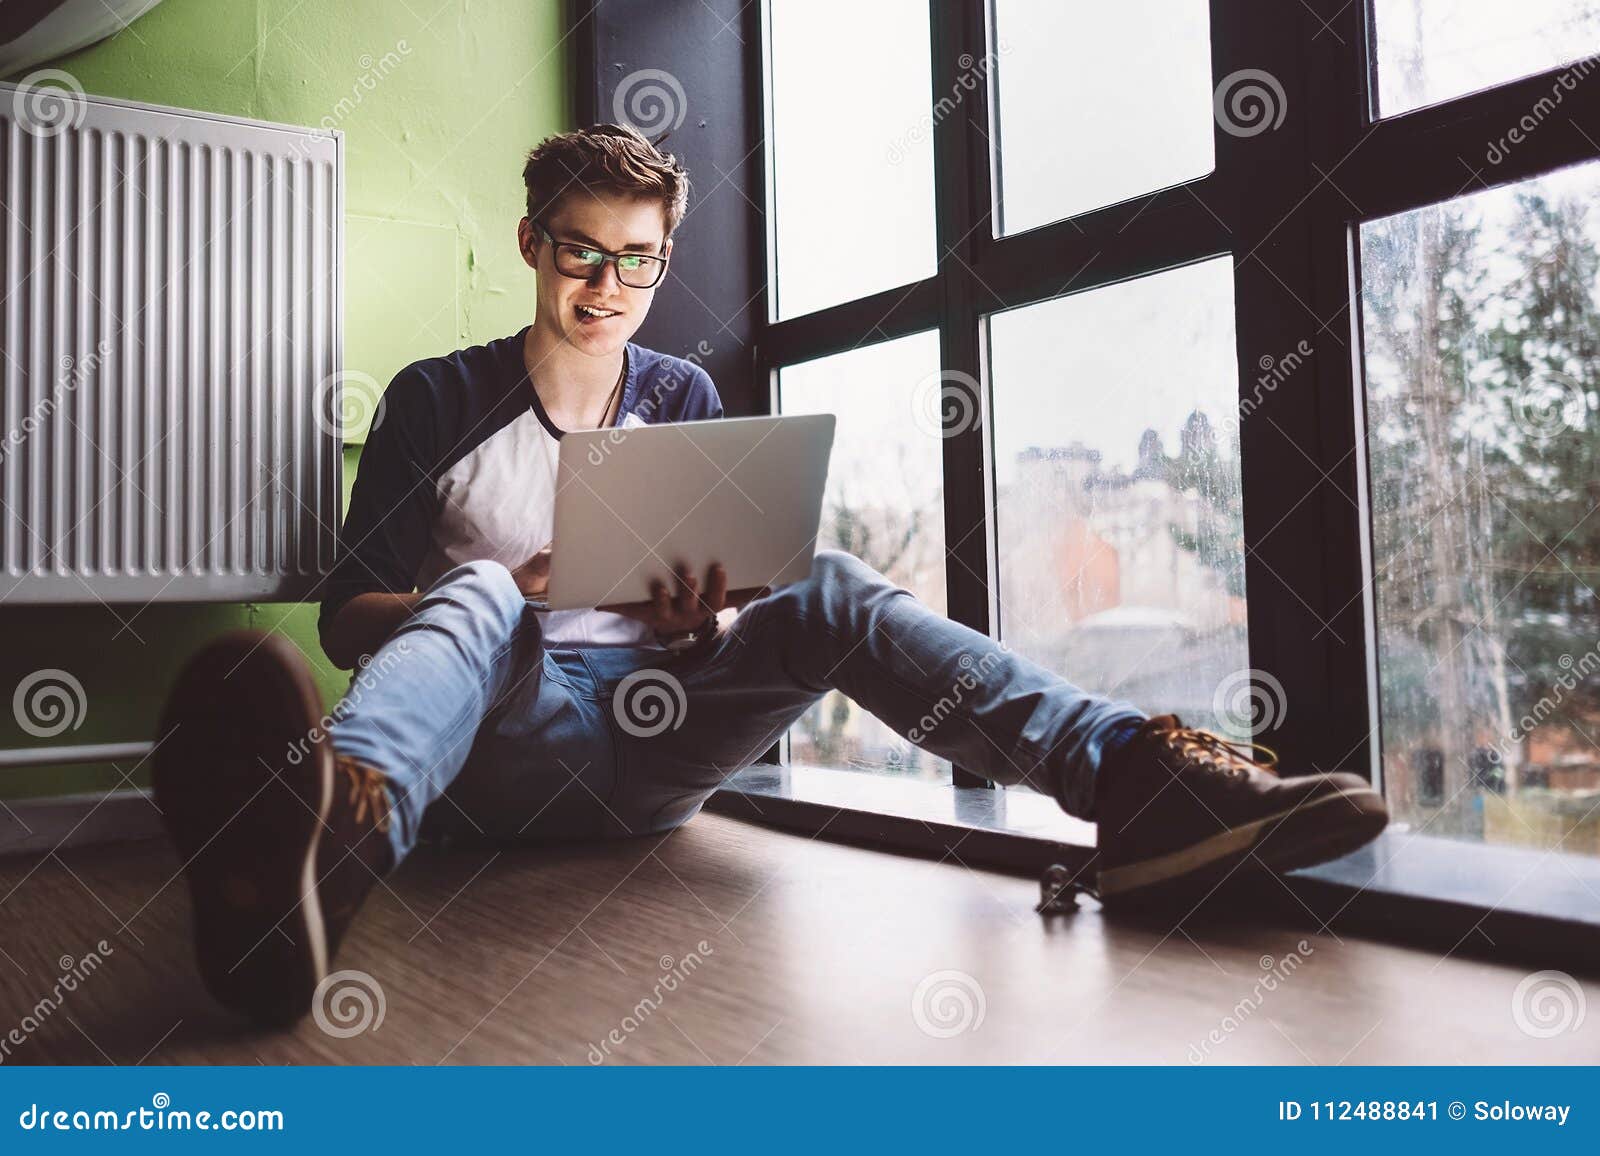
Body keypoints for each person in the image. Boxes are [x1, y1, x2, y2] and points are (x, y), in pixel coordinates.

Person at [153, 124, 1388, 1026]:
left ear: (662, 258)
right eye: (580, 254)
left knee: (831, 581)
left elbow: (721, 625)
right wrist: (512, 592)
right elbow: (346, 619)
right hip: (502, 744)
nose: (606, 288)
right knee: (473, 590)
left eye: (637, 260)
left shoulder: (683, 394)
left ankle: (1129, 777)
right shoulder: (437, 397)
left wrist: (695, 627)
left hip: (658, 749)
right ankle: (344, 833)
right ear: (532, 243)